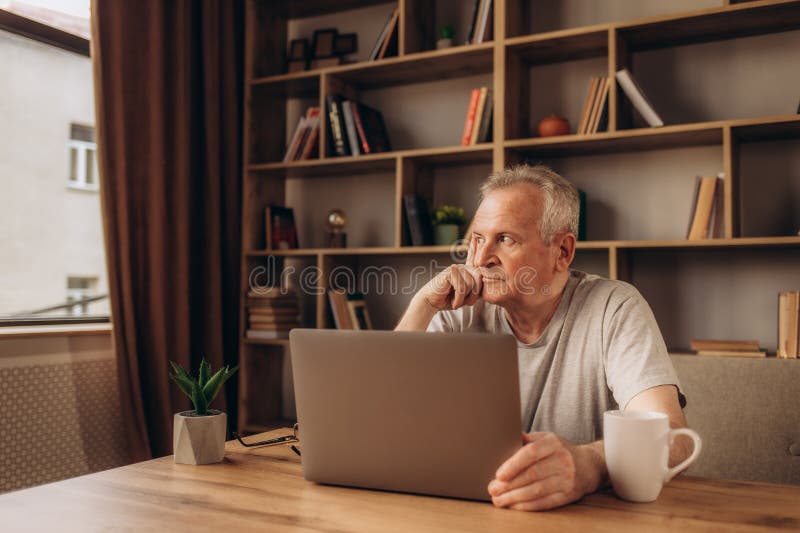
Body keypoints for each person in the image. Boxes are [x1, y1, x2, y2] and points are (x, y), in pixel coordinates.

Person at [396, 164, 693, 512]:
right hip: (466, 510)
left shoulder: (614, 307)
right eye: (476, 239)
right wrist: (423, 306)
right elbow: (385, 409)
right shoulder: (458, 307)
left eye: (505, 239)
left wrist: (591, 464)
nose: (480, 259)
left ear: (563, 252)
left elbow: (672, 437)